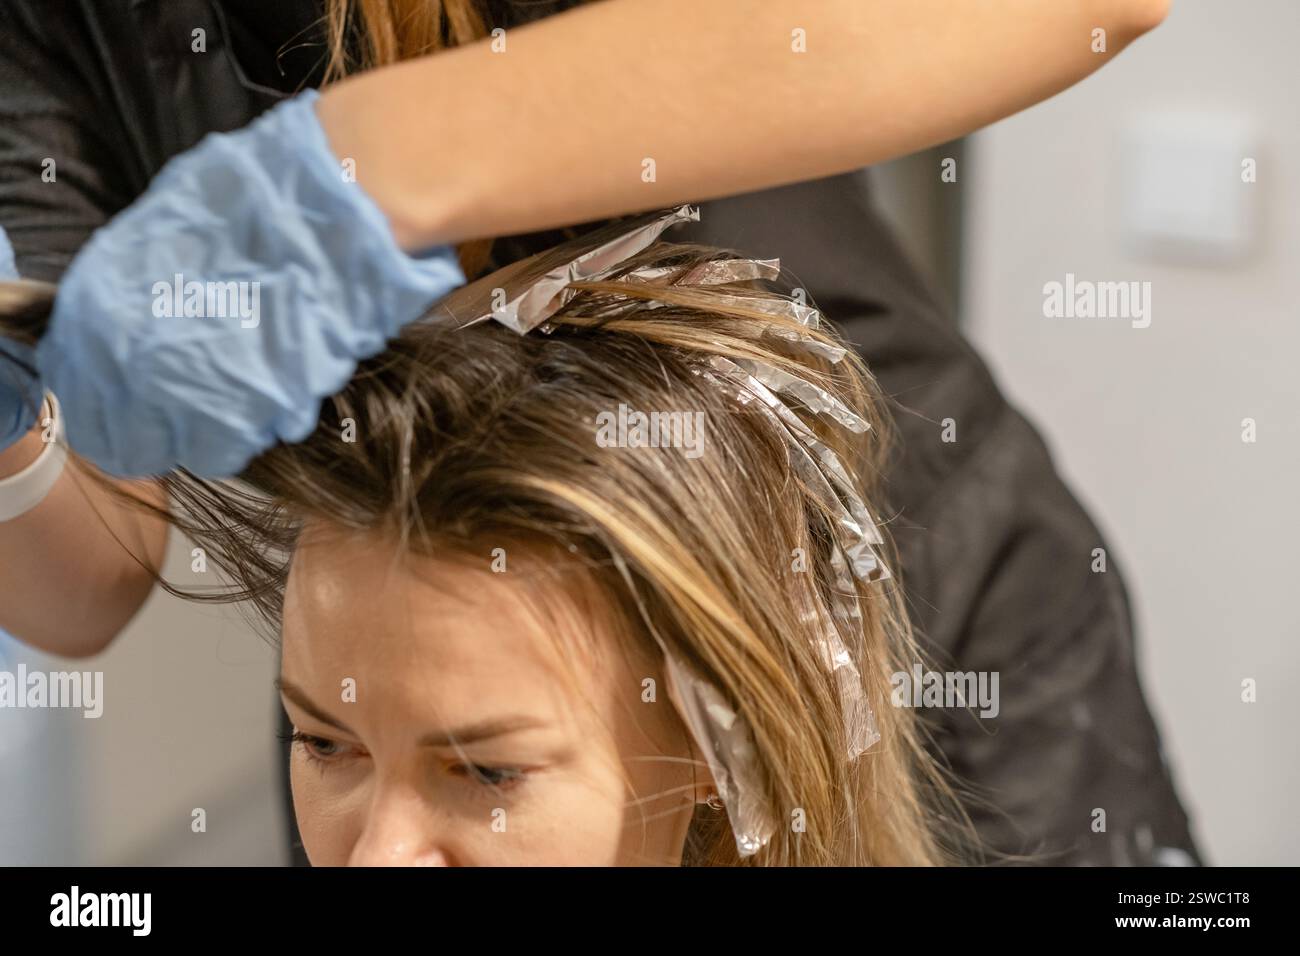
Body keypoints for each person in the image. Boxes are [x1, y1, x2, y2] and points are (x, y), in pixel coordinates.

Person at [0, 0, 1199, 865]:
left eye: (487, 770)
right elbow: (86, 583)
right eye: (318, 747)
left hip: (884, 616)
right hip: (429, 693)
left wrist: (384, 161)